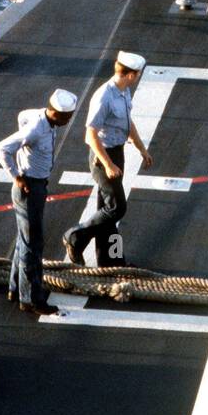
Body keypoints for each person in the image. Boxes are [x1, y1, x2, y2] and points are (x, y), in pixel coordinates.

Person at [63, 51, 152, 266]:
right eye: (138, 73)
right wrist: (109, 164)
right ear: (131, 74)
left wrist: (142, 149)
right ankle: (74, 237)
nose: (139, 76)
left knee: (108, 212)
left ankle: (111, 260)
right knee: (116, 208)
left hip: (116, 153)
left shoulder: (124, 92)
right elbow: (90, 135)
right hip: (103, 158)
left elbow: (127, 123)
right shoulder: (104, 96)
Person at [0, 89, 78, 316]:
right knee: (33, 245)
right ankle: (31, 299)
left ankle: (14, 288)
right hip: (30, 187)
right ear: (57, 114)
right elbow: (2, 148)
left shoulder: (37, 116)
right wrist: (17, 176)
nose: (69, 121)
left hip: (37, 185)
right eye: (67, 117)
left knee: (25, 242)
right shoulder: (36, 128)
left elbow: (22, 115)